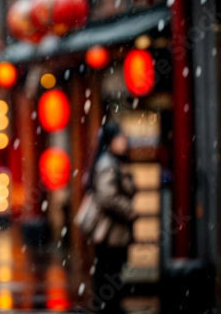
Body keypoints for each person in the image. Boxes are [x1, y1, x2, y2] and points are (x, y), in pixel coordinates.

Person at [82, 122, 136, 314]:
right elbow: (107, 196)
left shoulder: (113, 162)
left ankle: (107, 306)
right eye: (120, 137)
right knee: (111, 272)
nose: (125, 141)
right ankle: (108, 308)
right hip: (110, 231)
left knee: (109, 272)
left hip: (112, 231)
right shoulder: (108, 163)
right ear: (110, 141)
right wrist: (130, 211)